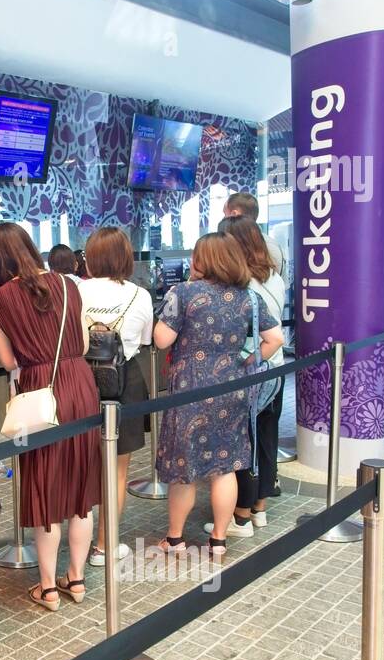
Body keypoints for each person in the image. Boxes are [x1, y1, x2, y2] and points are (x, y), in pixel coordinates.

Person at [0, 222, 102, 611]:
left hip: (39, 388)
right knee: (82, 485)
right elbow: (83, 342)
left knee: (45, 485)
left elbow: (6, 361)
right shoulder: (69, 284)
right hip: (80, 385)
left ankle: (48, 587)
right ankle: (78, 578)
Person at [153, 233, 282, 557]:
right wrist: (248, 361)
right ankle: (220, 540)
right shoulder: (248, 297)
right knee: (224, 466)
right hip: (232, 388)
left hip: (189, 390)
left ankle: (175, 538)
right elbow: (275, 338)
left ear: (202, 259)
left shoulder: (183, 293)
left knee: (184, 467)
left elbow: (161, 340)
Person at [78, 226, 152, 566]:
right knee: (118, 469)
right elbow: (147, 339)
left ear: (90, 257)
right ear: (126, 257)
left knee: (79, 463)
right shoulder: (140, 295)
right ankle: (104, 546)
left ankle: (75, 543)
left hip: (79, 381)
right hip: (126, 381)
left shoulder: (75, 289)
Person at [215, 216, 286, 535]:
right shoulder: (275, 277)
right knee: (267, 437)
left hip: (246, 367)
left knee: (241, 440)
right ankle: (260, 508)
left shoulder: (237, 283)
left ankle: (240, 515)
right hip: (277, 367)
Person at [223, 192, 284, 273]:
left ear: (234, 214)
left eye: (225, 214)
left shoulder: (267, 247)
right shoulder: (270, 245)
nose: (223, 218)